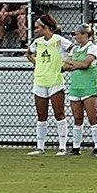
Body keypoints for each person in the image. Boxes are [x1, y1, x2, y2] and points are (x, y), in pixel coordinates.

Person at [26, 14, 69, 156]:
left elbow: (73, 50)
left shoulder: (59, 40)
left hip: (55, 81)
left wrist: (65, 64)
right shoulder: (37, 42)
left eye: (38, 27)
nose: (36, 30)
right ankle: (40, 147)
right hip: (40, 81)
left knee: (59, 114)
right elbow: (29, 53)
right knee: (41, 115)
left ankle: (62, 146)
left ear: (46, 27)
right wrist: (37, 64)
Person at [63, 24, 97, 156]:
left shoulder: (92, 48)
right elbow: (65, 66)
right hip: (75, 87)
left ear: (85, 35)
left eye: (78, 34)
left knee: (92, 118)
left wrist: (73, 63)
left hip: (88, 87)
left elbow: (85, 64)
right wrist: (76, 64)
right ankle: (76, 146)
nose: (76, 37)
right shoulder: (75, 49)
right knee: (77, 118)